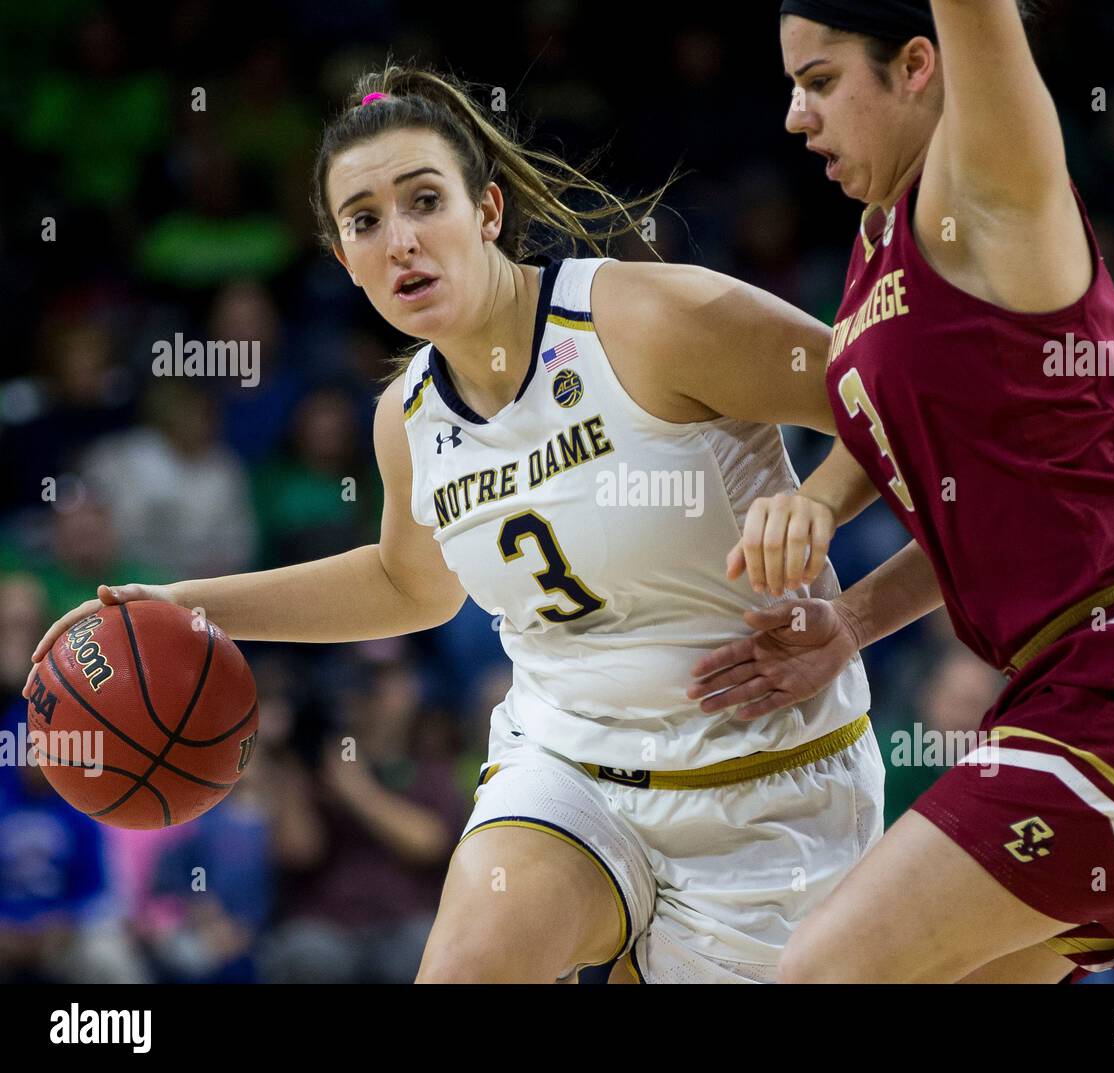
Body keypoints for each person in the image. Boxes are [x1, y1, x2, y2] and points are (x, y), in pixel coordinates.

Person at [27, 63, 894, 984]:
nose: (399, 240)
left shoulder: (653, 318)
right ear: (342, 259)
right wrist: (179, 605)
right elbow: (410, 583)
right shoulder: (406, 417)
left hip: (767, 788)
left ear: (487, 212)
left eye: (424, 200)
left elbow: (906, 402)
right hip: (568, 767)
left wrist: (841, 574)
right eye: (364, 221)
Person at [690, 0, 1114, 982]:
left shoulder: (986, 186)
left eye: (819, 81)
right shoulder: (874, 247)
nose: (796, 118)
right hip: (1070, 686)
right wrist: (846, 609)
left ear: (919, 64)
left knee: (813, 975)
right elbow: (965, 501)